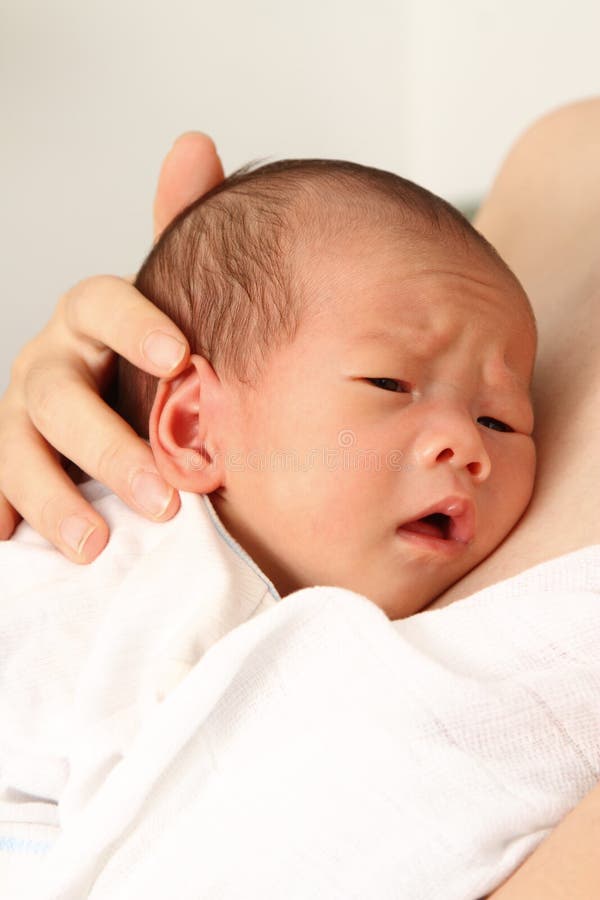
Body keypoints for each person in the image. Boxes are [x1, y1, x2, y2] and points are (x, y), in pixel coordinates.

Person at [0, 99, 599, 897]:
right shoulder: (125, 568)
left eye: (503, 418)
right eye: (390, 384)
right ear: (192, 428)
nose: (467, 443)